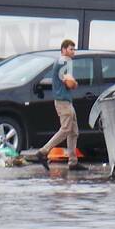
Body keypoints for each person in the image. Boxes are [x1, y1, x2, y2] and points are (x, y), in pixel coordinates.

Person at [31, 39, 84, 170]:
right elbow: (69, 83)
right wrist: (75, 84)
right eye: (71, 49)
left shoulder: (60, 61)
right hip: (63, 101)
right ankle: (43, 152)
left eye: (74, 49)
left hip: (65, 101)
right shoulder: (65, 61)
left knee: (73, 131)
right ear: (63, 49)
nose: (73, 52)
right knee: (66, 129)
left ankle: (73, 161)